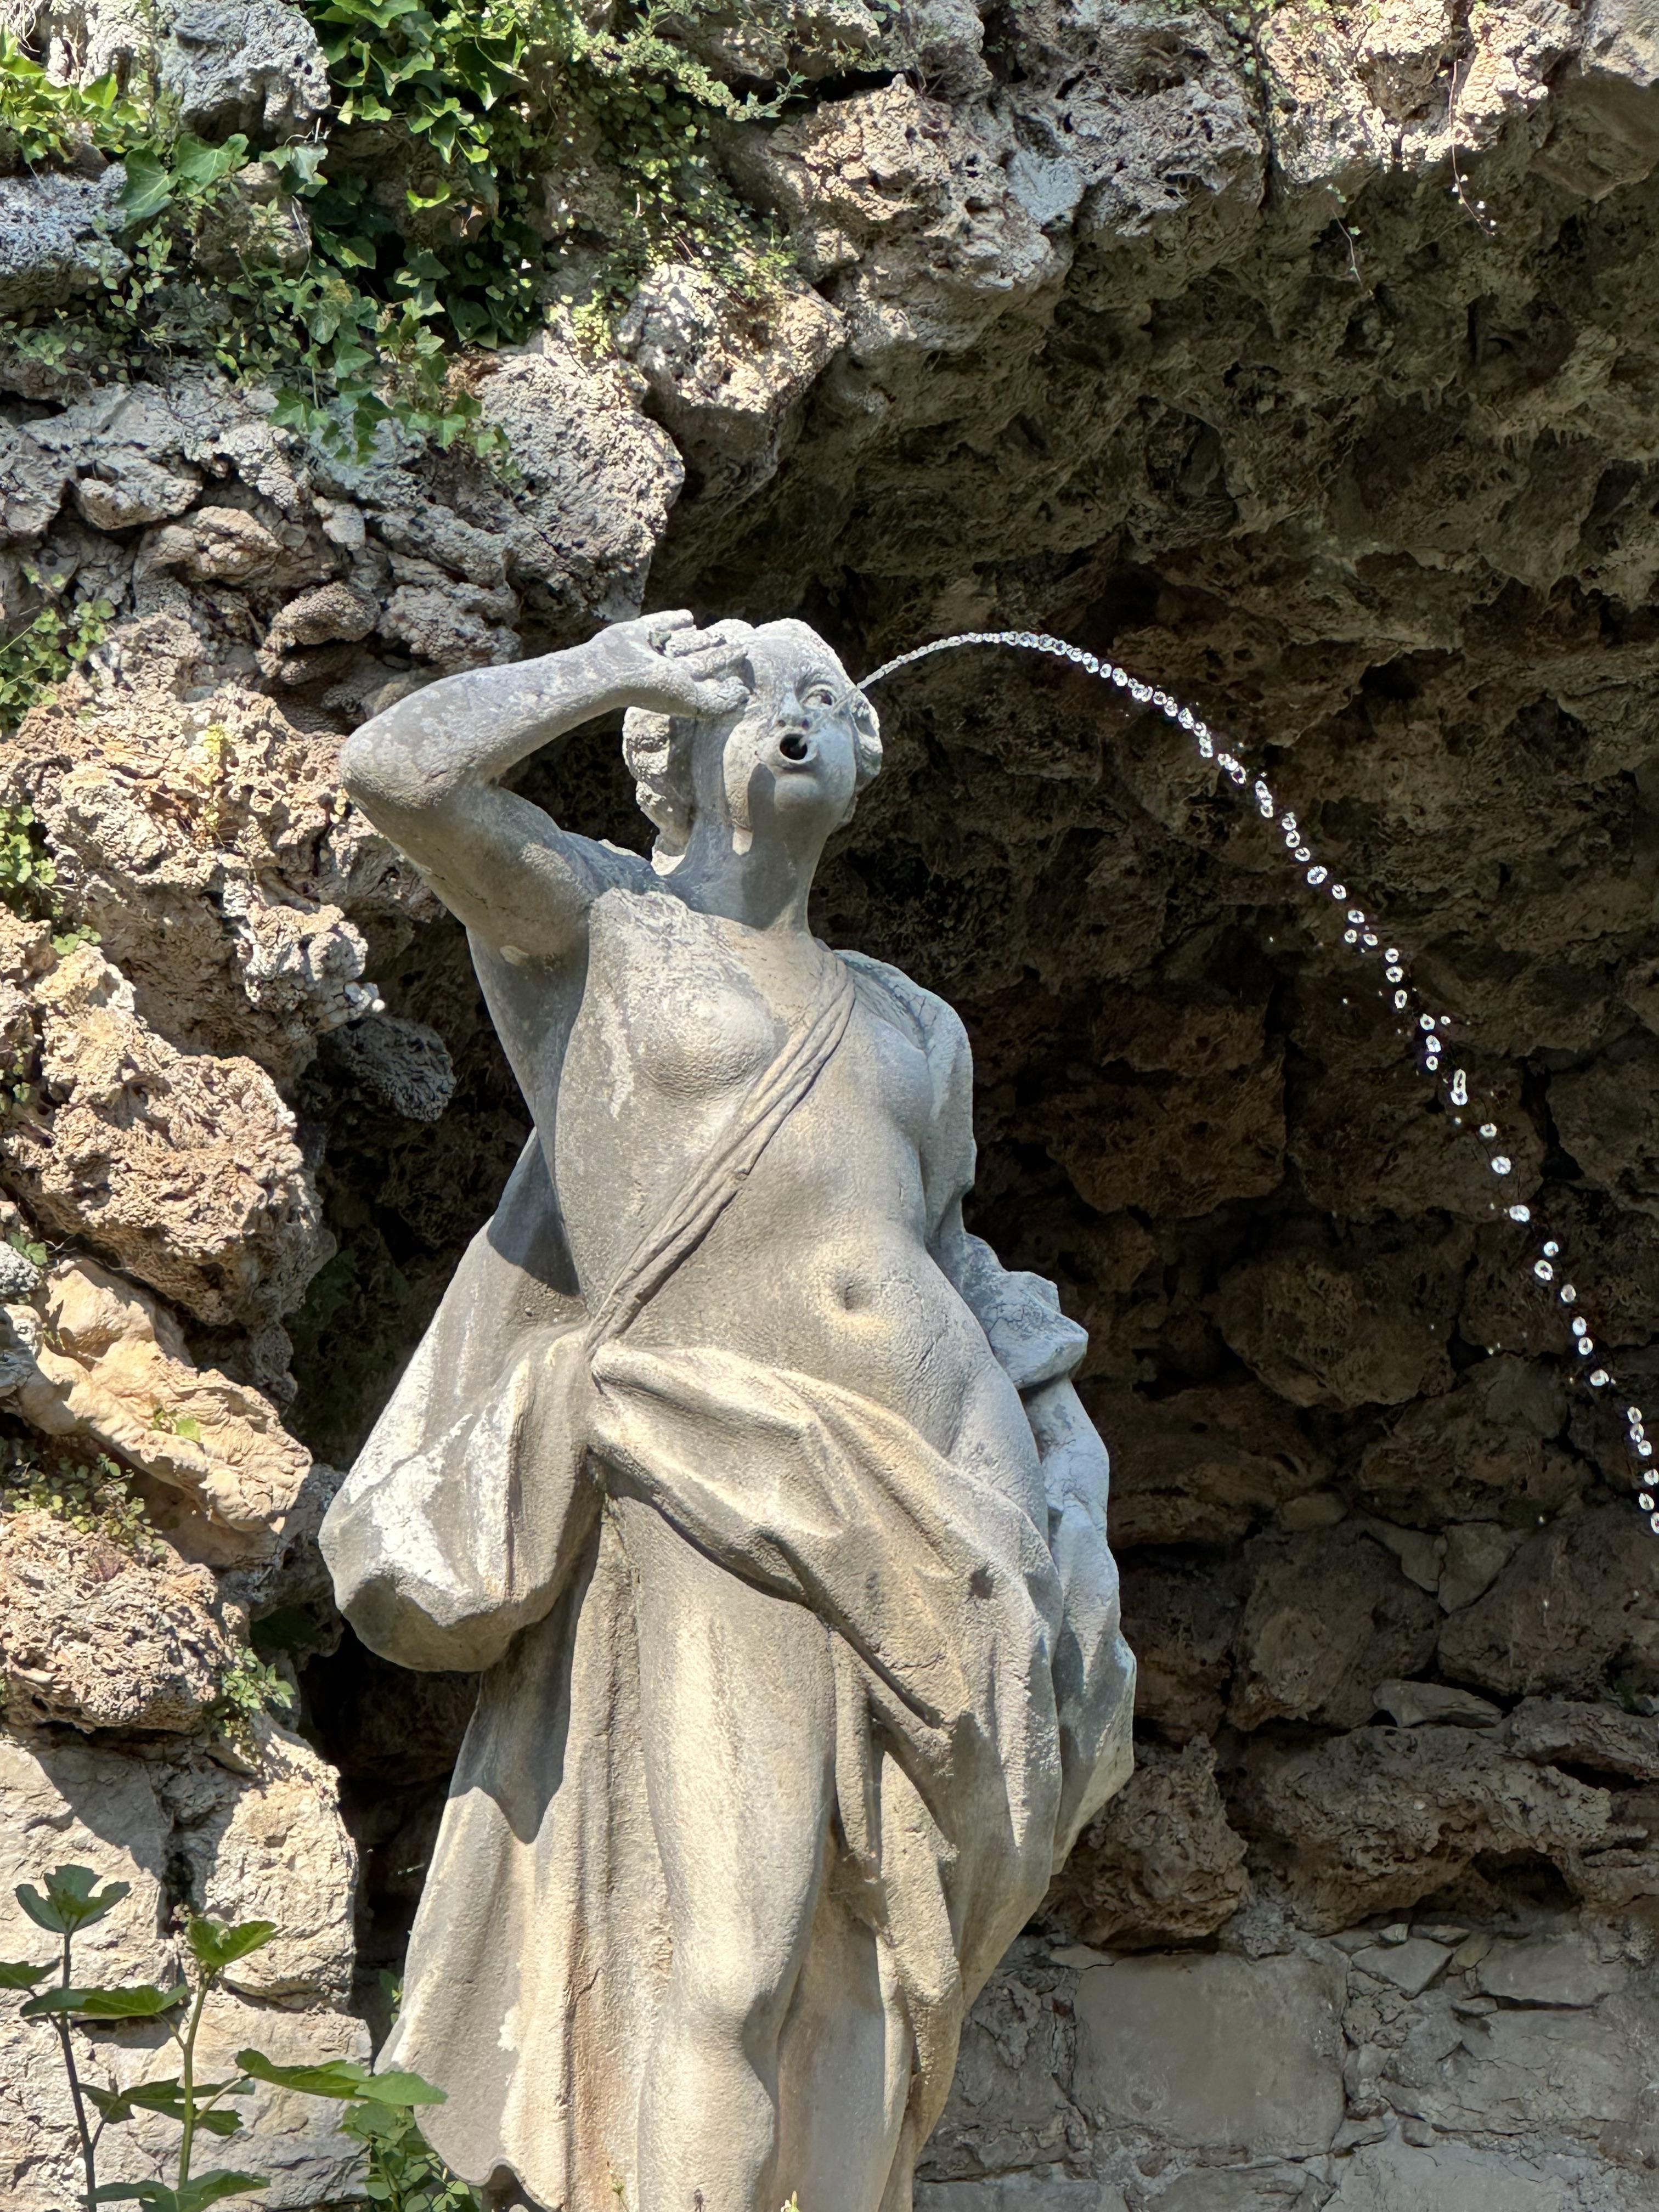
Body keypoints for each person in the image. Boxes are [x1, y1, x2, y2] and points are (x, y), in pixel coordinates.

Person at [320, 610, 1134, 2212]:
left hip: (961, 1497)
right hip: (717, 1466)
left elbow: (954, 1264)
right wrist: (610, 664)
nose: (801, 716)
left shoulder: (912, 1023)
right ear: (679, 749)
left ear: (864, 758)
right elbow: (396, 775)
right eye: (760, 695)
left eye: (831, 699)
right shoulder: (600, 933)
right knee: (731, 1957)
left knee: (876, 1972)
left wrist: (1074, 1474)